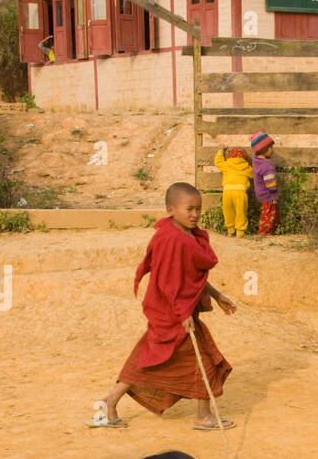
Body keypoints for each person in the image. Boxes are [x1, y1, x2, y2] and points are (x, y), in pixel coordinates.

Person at [89, 183, 237, 431]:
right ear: (171, 209)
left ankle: (108, 402)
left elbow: (188, 276)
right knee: (204, 360)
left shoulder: (187, 235)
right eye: (189, 209)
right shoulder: (170, 239)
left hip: (177, 312)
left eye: (198, 209)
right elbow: (169, 282)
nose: (195, 215)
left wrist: (216, 294)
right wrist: (182, 314)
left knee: (147, 358)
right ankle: (202, 416)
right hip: (173, 313)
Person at [213, 145, 252, 237]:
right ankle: (240, 232)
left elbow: (218, 162)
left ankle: (230, 231)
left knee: (228, 212)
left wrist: (220, 151)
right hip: (240, 192)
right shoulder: (246, 167)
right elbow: (253, 175)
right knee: (241, 212)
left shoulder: (226, 165)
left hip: (227, 192)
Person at [249, 131, 279, 236]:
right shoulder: (266, 166)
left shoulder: (256, 160)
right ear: (266, 149)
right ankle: (264, 232)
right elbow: (270, 183)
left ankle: (271, 230)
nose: (272, 150)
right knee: (268, 214)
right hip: (268, 194)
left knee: (270, 213)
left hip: (260, 192)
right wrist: (274, 196)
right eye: (271, 148)